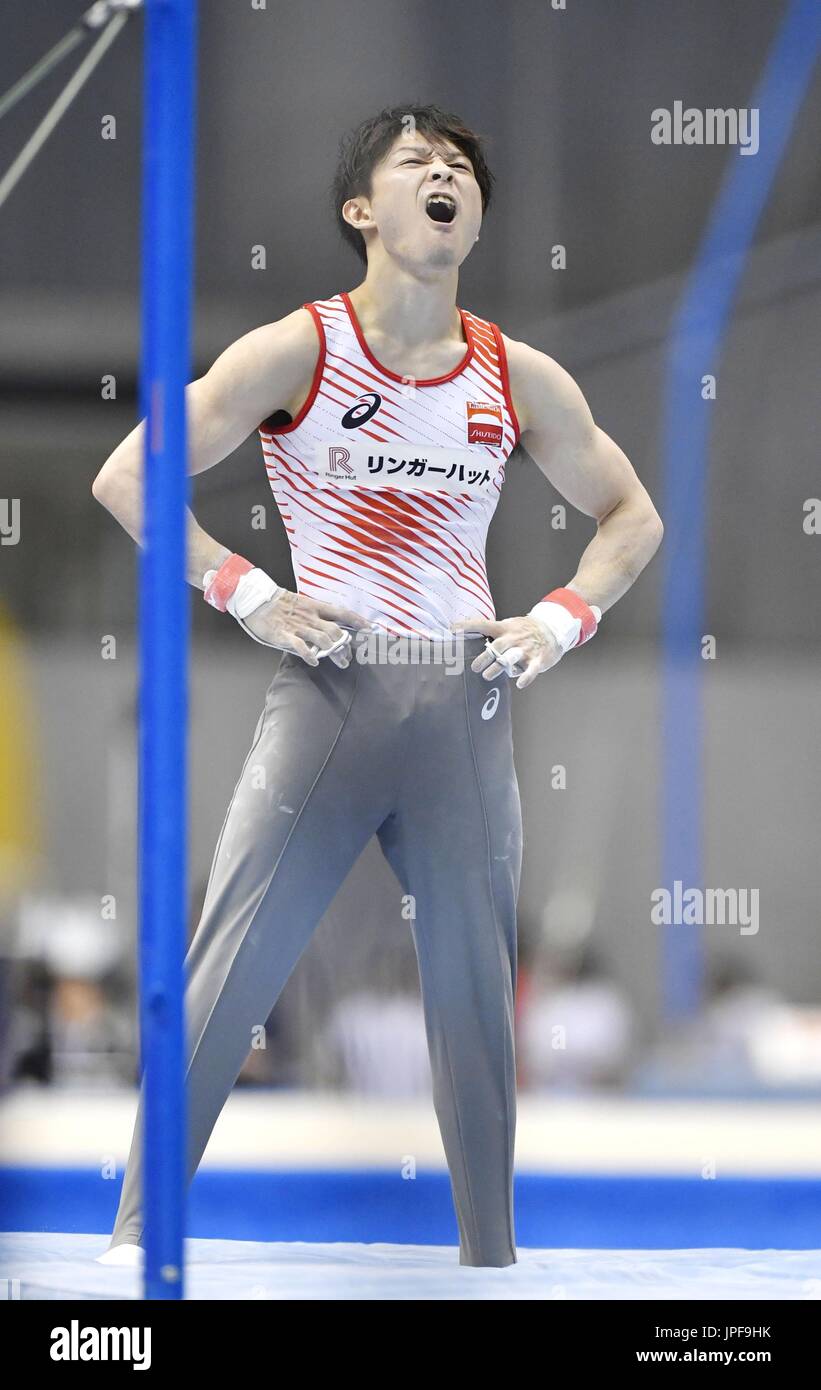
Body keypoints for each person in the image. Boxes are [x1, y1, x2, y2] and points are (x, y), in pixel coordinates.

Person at [92, 103, 662, 1268]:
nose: (443, 177)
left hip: (464, 705)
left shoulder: (516, 373)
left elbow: (630, 515)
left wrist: (560, 617)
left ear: (475, 214)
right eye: (417, 165)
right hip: (332, 696)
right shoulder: (297, 350)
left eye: (460, 168)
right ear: (363, 209)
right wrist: (246, 592)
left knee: (472, 1004)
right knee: (231, 967)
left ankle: (488, 1260)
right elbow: (125, 477)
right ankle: (138, 1240)